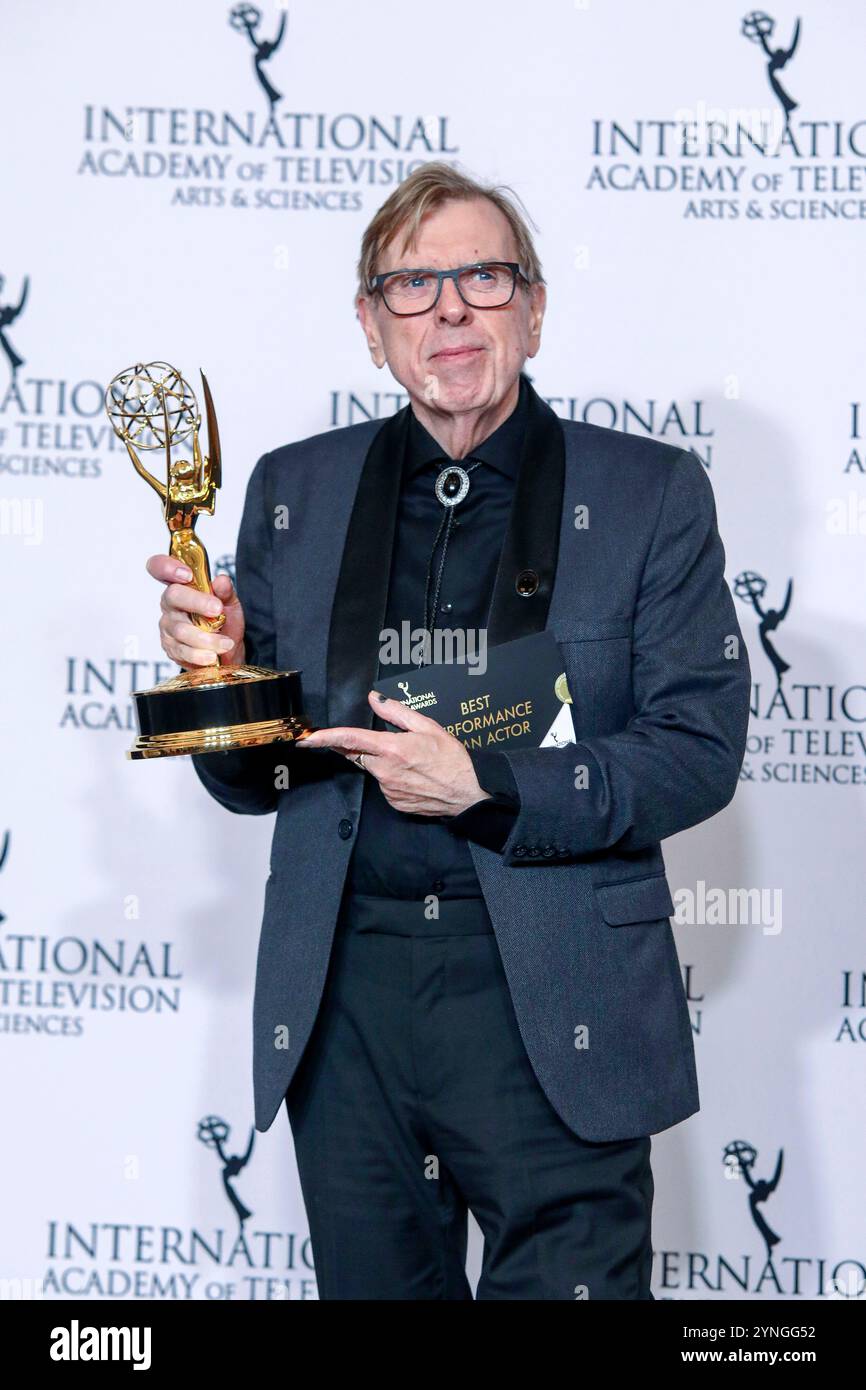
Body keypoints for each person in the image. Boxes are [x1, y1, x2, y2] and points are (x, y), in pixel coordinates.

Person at [147, 162, 751, 1300]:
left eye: (482, 274)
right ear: (371, 328)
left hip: (554, 992)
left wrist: (491, 787)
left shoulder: (649, 494)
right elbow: (251, 782)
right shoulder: (295, 491)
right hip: (351, 1005)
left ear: (532, 306)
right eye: (412, 286)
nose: (451, 308)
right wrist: (217, 682)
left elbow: (697, 748)